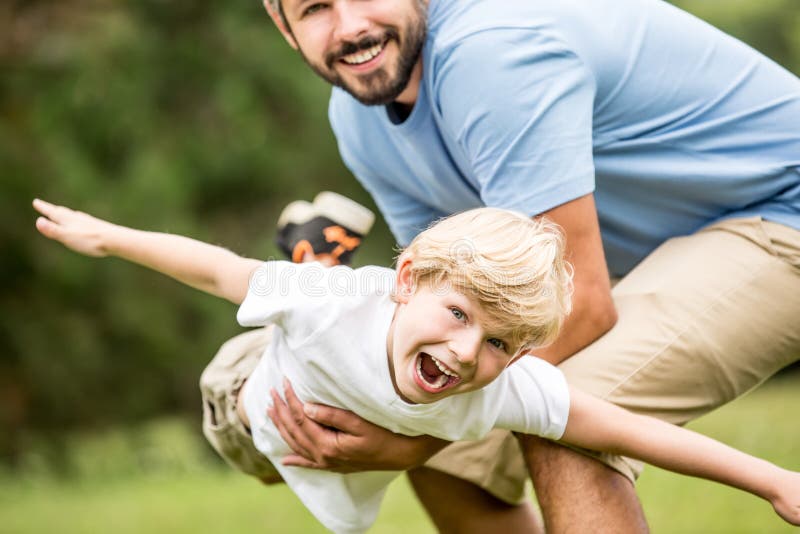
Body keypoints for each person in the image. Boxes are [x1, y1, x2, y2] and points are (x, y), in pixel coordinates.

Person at [252, 0, 800, 531]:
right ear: (282, 24)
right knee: (455, 466)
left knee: (570, 413)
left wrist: (417, 429)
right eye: (316, 7)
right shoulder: (358, 116)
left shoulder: (490, 53)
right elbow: (440, 290)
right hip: (674, 246)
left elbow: (580, 302)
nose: (350, 26)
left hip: (781, 209)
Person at [32, 198, 800, 533]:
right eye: (459, 315)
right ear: (410, 282)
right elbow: (216, 270)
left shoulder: (512, 386)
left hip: (338, 440)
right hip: (245, 397)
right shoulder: (332, 307)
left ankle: (317, 245)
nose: (468, 352)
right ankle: (314, 256)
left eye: (499, 343)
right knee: (298, 302)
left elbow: (633, 432)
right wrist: (107, 237)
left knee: (324, 304)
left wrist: (775, 481)